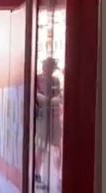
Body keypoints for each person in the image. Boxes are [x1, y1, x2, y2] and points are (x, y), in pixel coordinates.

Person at [34, 57, 63, 190]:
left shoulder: (55, 80)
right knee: (40, 146)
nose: (49, 69)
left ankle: (59, 175)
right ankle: (37, 173)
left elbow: (57, 97)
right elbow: (37, 97)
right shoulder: (37, 79)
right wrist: (48, 100)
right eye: (47, 66)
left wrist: (50, 101)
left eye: (51, 66)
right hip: (42, 117)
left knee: (57, 146)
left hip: (53, 117)